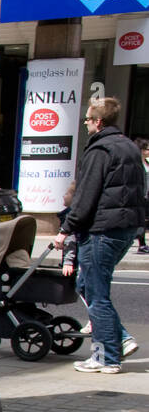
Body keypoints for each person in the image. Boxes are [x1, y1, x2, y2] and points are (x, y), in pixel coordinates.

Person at [55, 97, 143, 373]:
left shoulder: (99, 150)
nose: (85, 122)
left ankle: (106, 357)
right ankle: (122, 339)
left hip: (101, 230)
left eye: (88, 119)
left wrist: (65, 229)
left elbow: (85, 195)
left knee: (96, 292)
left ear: (99, 122)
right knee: (87, 285)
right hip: (124, 228)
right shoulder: (129, 147)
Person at [136, 137, 149, 255]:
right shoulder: (136, 163)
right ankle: (142, 244)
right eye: (147, 149)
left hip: (147, 195)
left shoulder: (147, 162)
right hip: (141, 196)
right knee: (142, 221)